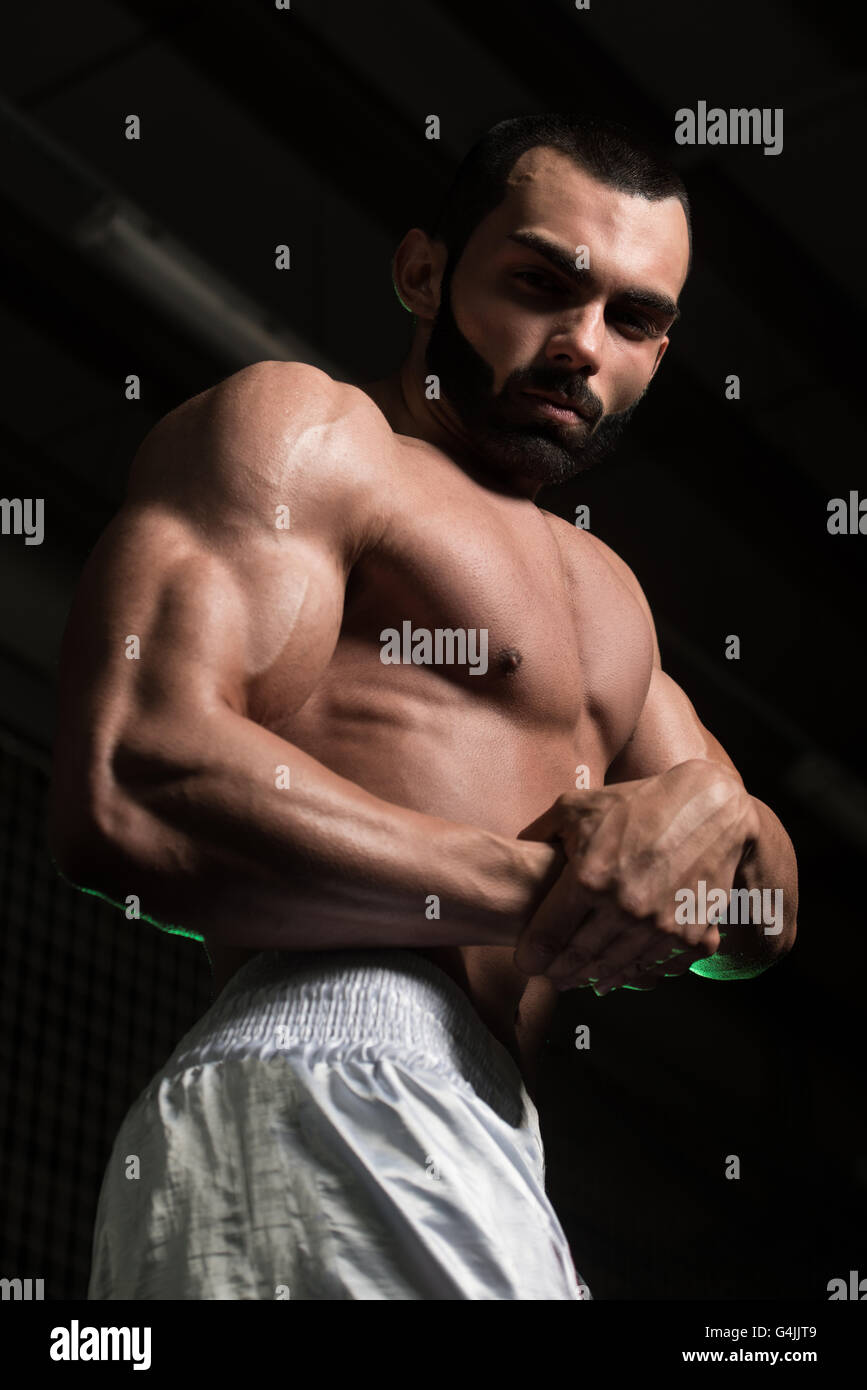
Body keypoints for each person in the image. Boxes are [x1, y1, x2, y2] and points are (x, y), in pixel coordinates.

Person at [48, 113, 798, 1300]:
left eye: (635, 320)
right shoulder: (310, 435)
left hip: (481, 1123)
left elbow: (757, 919)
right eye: (543, 286)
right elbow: (135, 778)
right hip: (335, 1063)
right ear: (423, 271)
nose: (584, 347)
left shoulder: (606, 595)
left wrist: (714, 805)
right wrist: (538, 889)